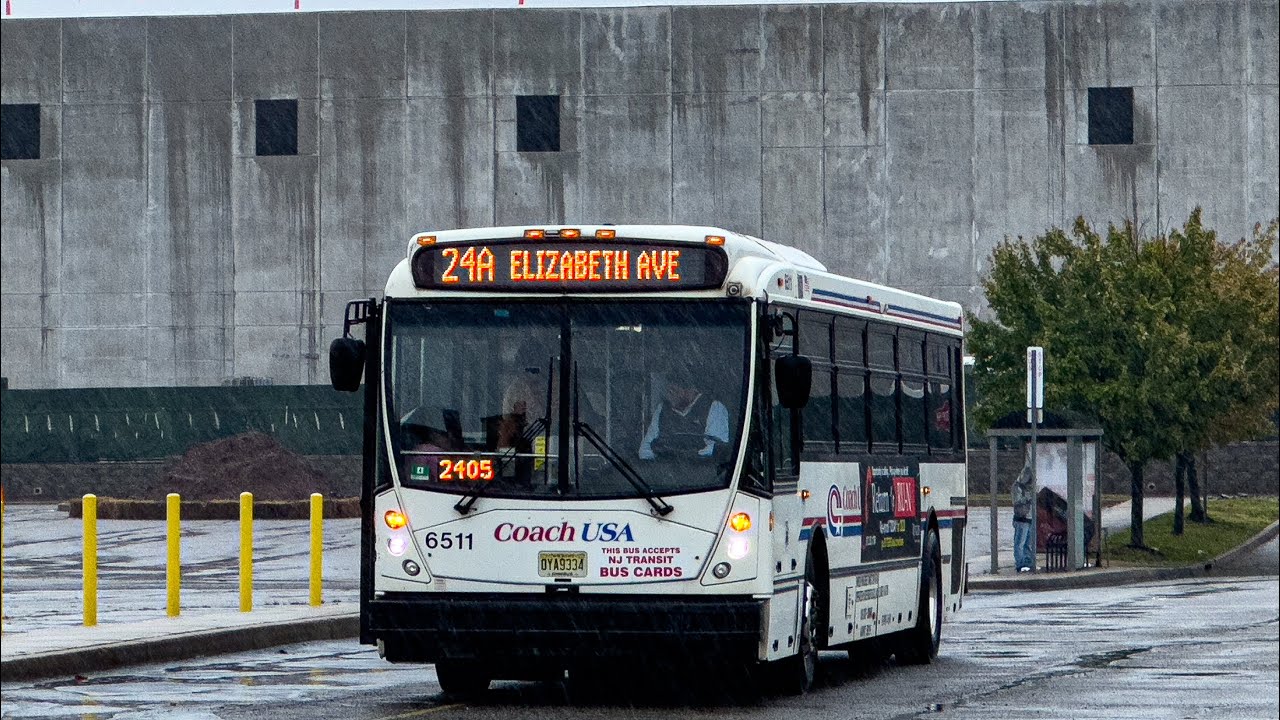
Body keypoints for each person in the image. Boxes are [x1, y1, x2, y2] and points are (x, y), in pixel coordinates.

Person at [638, 365, 730, 461]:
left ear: (691, 390)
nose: (670, 394)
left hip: (702, 472)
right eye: (669, 389)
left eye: (675, 390)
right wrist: (665, 456)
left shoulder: (715, 407)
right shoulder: (662, 409)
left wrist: (683, 455)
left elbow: (716, 449)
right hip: (665, 471)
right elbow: (644, 450)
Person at [1011, 454, 1035, 572]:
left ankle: (1028, 562)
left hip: (1029, 517)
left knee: (1028, 542)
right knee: (1020, 542)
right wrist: (1028, 499)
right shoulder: (1018, 487)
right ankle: (1020, 563)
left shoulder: (1029, 488)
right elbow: (1017, 502)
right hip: (1021, 518)